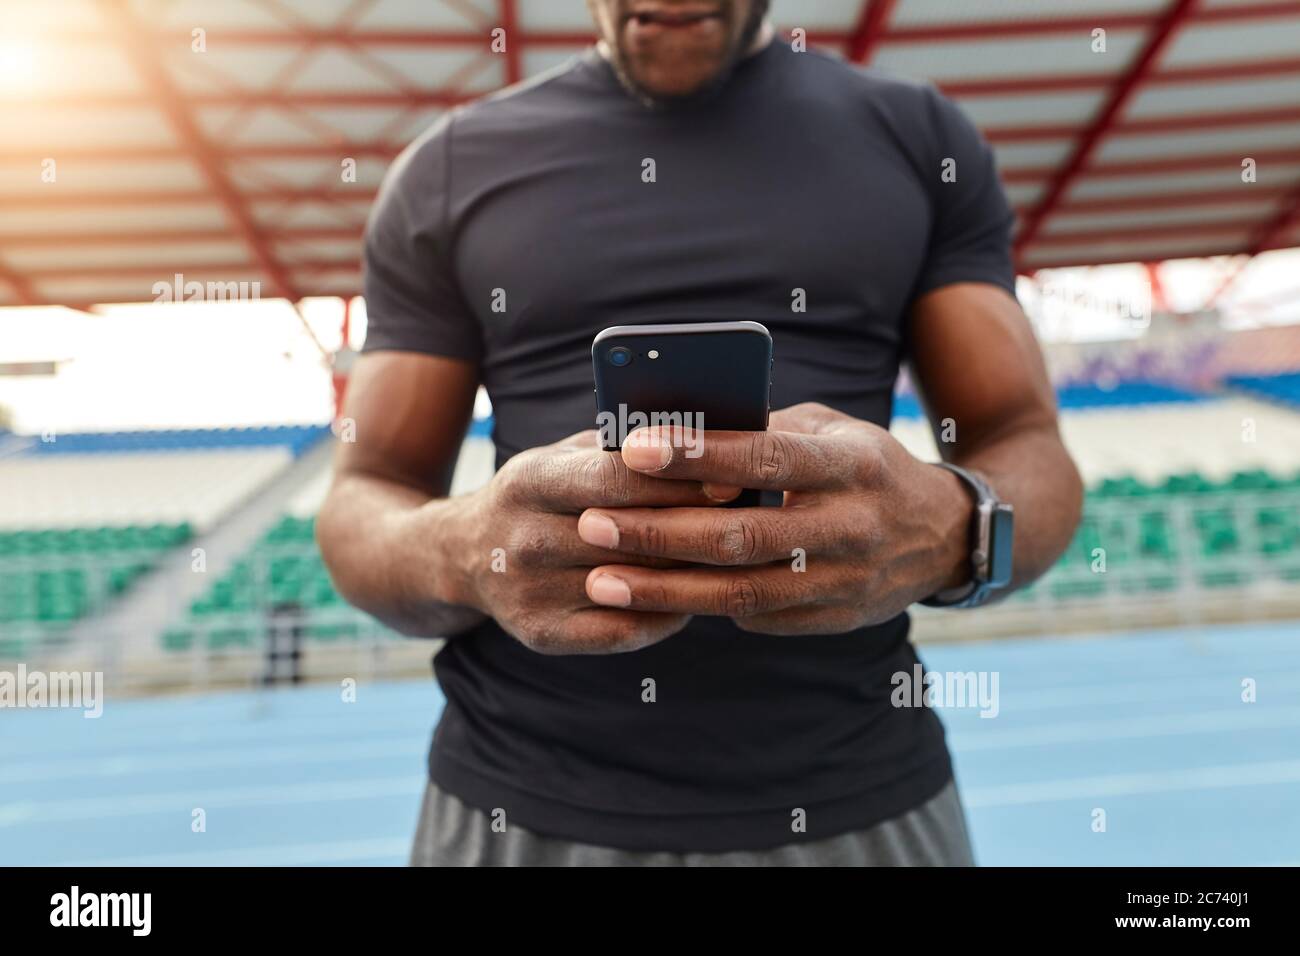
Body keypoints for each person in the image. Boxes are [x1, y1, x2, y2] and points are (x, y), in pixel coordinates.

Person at [316, 0, 1082, 866]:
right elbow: (361, 498)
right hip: (515, 799)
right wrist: (467, 546)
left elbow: (1026, 440)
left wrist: (950, 528)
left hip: (859, 790)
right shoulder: (447, 169)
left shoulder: (919, 137)